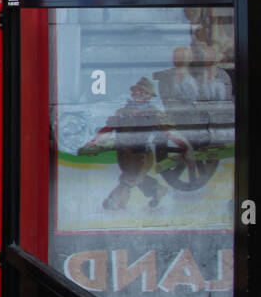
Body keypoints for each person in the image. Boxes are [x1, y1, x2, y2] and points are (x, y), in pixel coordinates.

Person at [80, 77, 193, 211]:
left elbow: (170, 132)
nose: (138, 94)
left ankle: (114, 201)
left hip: (140, 154)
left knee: (130, 178)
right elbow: (108, 129)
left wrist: (186, 146)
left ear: (149, 96)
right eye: (136, 92)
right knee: (136, 177)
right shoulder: (122, 112)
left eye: (142, 92)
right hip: (123, 154)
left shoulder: (154, 114)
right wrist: (95, 143)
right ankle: (158, 190)